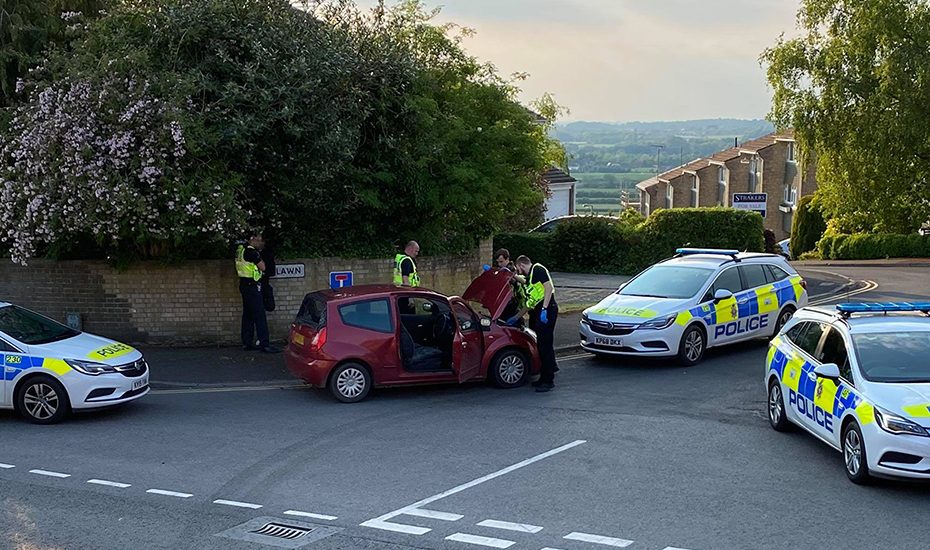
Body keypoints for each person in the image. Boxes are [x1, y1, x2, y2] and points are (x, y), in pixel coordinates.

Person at [507, 255, 558, 392]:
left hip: (547, 310)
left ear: (521, 265)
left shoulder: (538, 269)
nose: (518, 272)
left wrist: (545, 309)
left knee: (544, 345)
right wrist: (517, 316)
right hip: (540, 310)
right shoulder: (530, 277)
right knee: (541, 345)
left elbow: (549, 288)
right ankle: (543, 377)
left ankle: (548, 380)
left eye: (518, 269)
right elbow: (525, 284)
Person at [235, 232, 279, 353]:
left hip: (244, 284)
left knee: (248, 314)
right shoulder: (251, 252)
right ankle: (265, 344)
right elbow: (263, 267)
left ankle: (247, 342)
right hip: (253, 286)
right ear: (252, 239)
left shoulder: (240, 250)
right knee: (260, 315)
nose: (260, 243)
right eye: (258, 240)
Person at [258, 236, 276, 312]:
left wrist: (264, 273)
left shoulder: (268, 254)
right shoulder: (253, 252)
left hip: (264, 283)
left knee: (268, 305)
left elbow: (272, 271)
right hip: (255, 284)